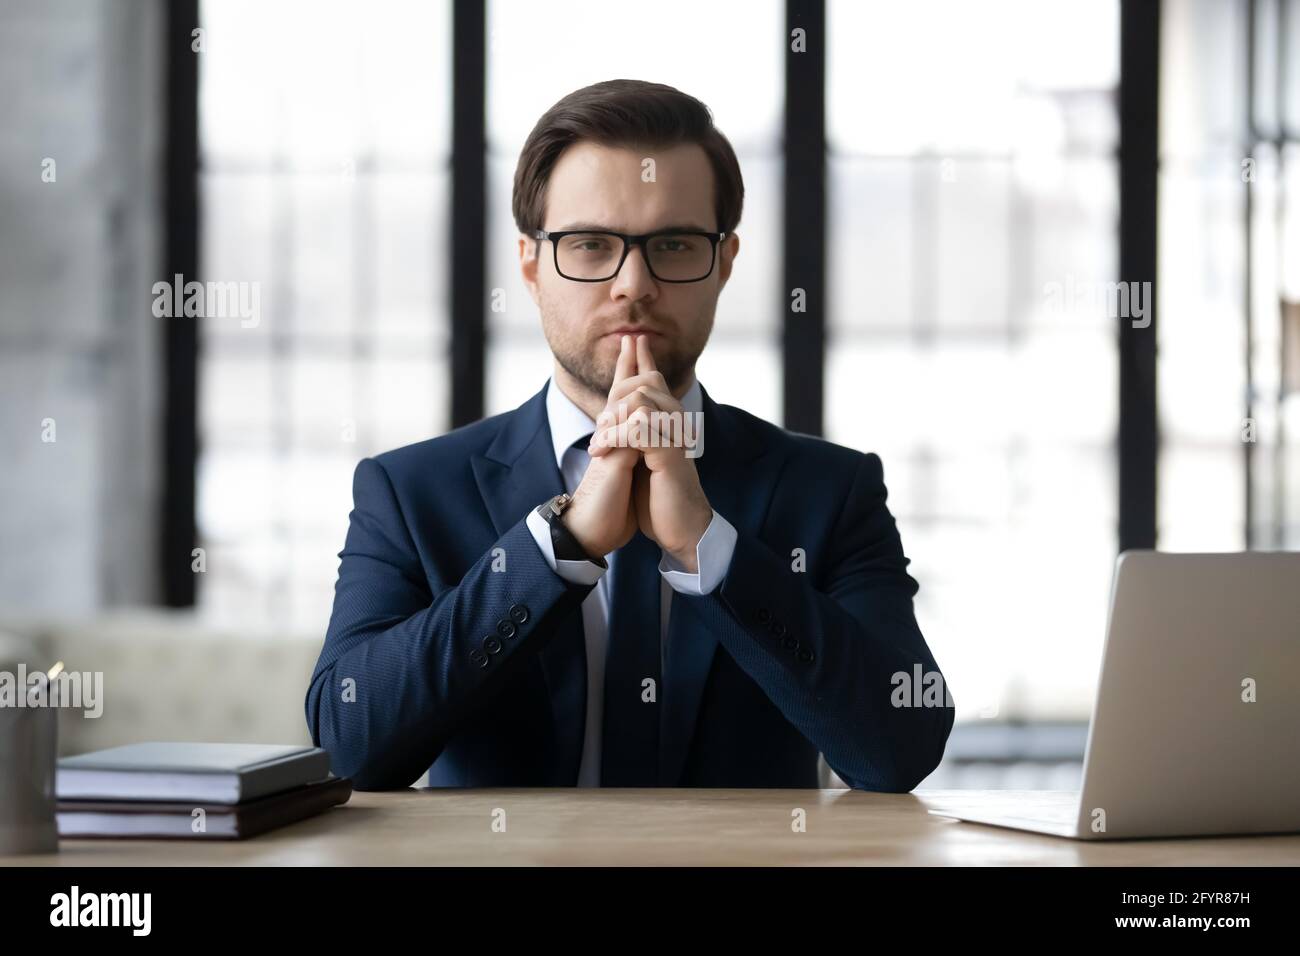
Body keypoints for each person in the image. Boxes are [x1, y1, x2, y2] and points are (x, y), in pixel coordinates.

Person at [305, 79, 954, 791]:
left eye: (672, 245)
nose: (634, 284)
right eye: (590, 245)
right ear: (531, 264)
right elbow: (348, 744)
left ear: (725, 262)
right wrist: (562, 546)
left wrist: (708, 545)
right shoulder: (410, 492)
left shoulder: (831, 491)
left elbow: (902, 745)